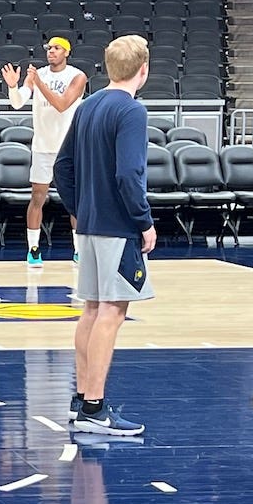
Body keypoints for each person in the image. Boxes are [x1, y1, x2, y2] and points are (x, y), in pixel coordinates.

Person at [53, 34, 155, 437]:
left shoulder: (88, 105)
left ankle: (81, 400)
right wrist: (143, 221)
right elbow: (129, 174)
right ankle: (94, 408)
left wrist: (80, 209)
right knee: (112, 313)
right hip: (117, 227)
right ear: (143, 70)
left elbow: (62, 168)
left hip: (91, 226)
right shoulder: (131, 110)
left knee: (92, 311)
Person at [2, 36, 88, 268]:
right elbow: (18, 102)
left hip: (69, 147)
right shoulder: (37, 74)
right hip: (43, 146)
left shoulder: (77, 76)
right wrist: (13, 87)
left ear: (66, 52)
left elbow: (62, 105)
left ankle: (79, 251)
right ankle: (33, 249)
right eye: (49, 48)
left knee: (75, 201)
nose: (51, 51)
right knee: (37, 198)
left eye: (56, 48)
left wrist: (39, 83)